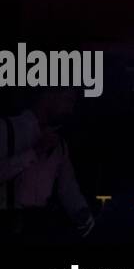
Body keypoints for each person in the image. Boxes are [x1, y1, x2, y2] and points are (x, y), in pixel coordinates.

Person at [1, 89, 95, 241]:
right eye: (68, 100)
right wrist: (34, 152)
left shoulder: (59, 144)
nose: (70, 109)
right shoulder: (6, 129)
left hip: (40, 229)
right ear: (49, 95)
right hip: (6, 228)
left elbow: (67, 187)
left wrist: (81, 211)